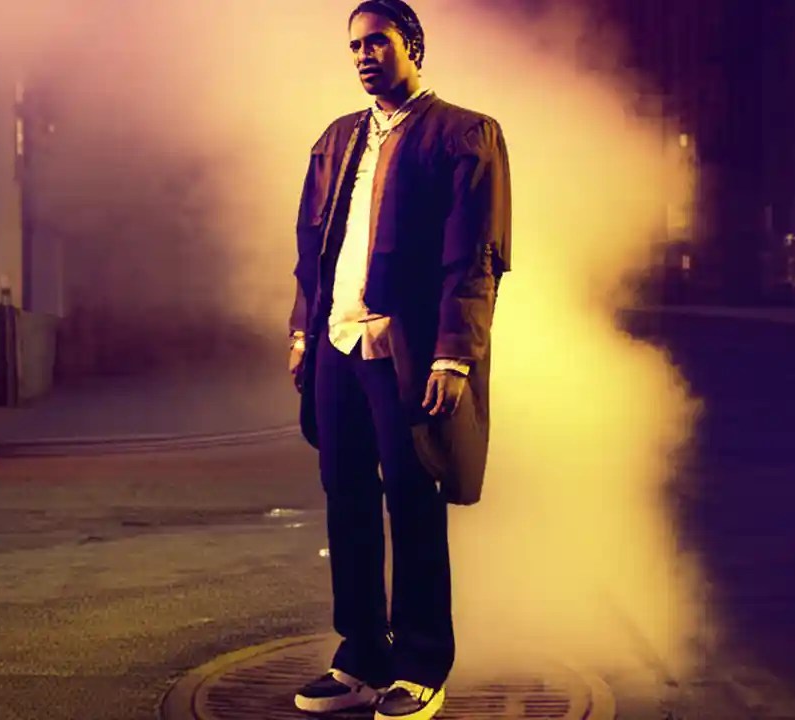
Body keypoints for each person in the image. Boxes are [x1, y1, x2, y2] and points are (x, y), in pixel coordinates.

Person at [286, 2, 512, 718]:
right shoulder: (336, 139)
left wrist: (454, 355)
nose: (363, 55)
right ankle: (360, 655)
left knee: (413, 501)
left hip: (404, 348)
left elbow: (474, 259)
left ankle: (420, 665)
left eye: (378, 42)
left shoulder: (463, 134)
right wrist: (303, 330)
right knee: (345, 497)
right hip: (338, 342)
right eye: (354, 45)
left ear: (412, 46)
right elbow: (308, 249)